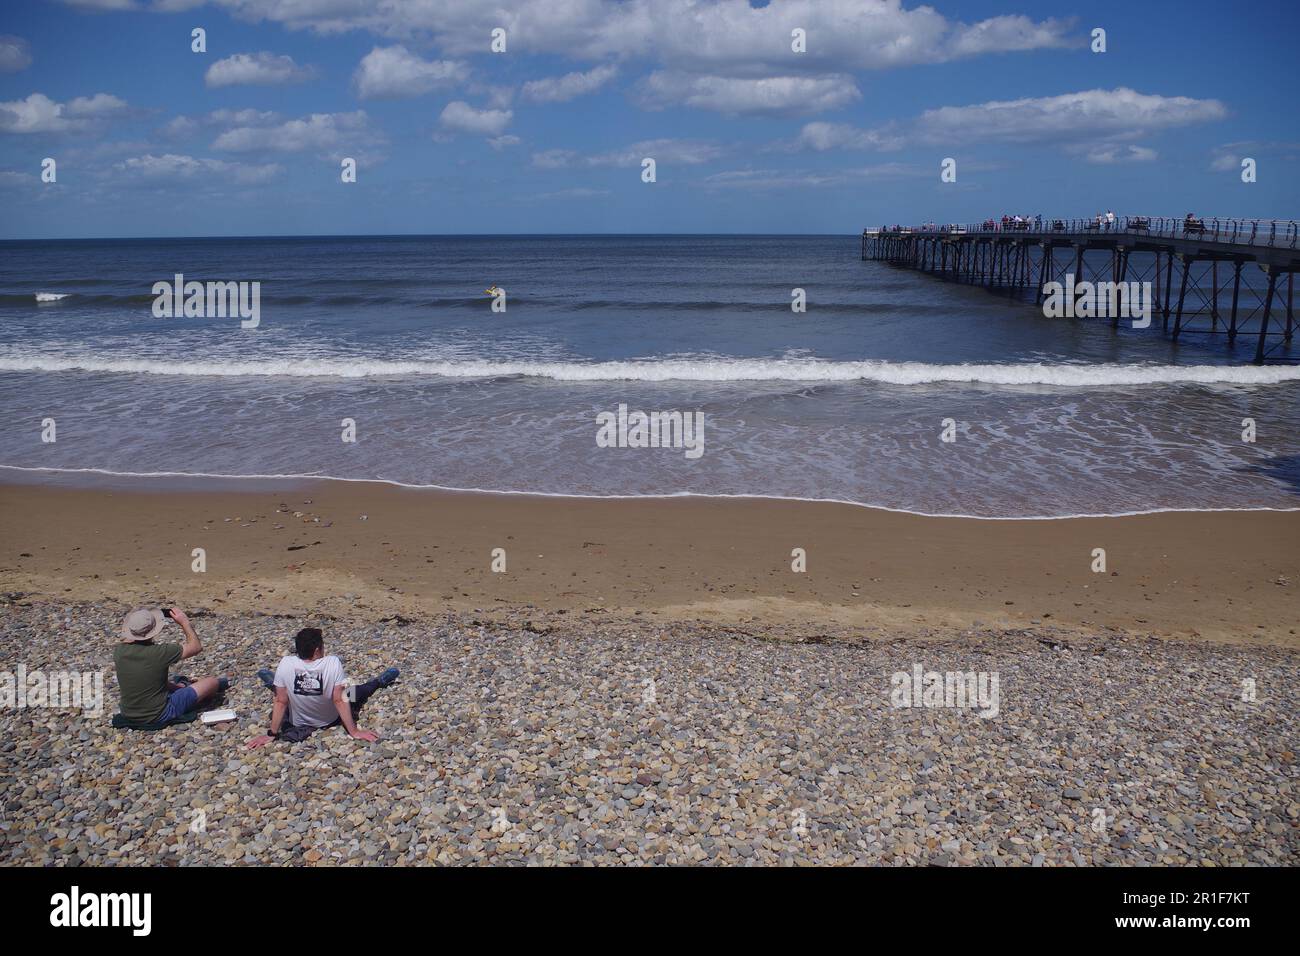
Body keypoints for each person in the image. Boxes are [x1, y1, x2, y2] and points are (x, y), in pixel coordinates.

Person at [246, 627, 399, 747]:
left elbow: (280, 701)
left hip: (298, 721)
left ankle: (271, 681)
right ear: (318, 650)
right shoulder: (332, 662)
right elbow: (339, 699)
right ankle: (379, 682)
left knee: (282, 691)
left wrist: (271, 734)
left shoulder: (286, 663)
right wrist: (354, 732)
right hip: (329, 720)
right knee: (354, 692)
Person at [113, 607, 228, 725]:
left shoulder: (119, 651)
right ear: (154, 630)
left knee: (154, 680)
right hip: (159, 714)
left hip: (128, 713)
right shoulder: (160, 652)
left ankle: (183, 687)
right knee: (212, 682)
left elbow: (148, 679)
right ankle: (204, 690)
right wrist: (184, 623)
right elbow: (196, 647)